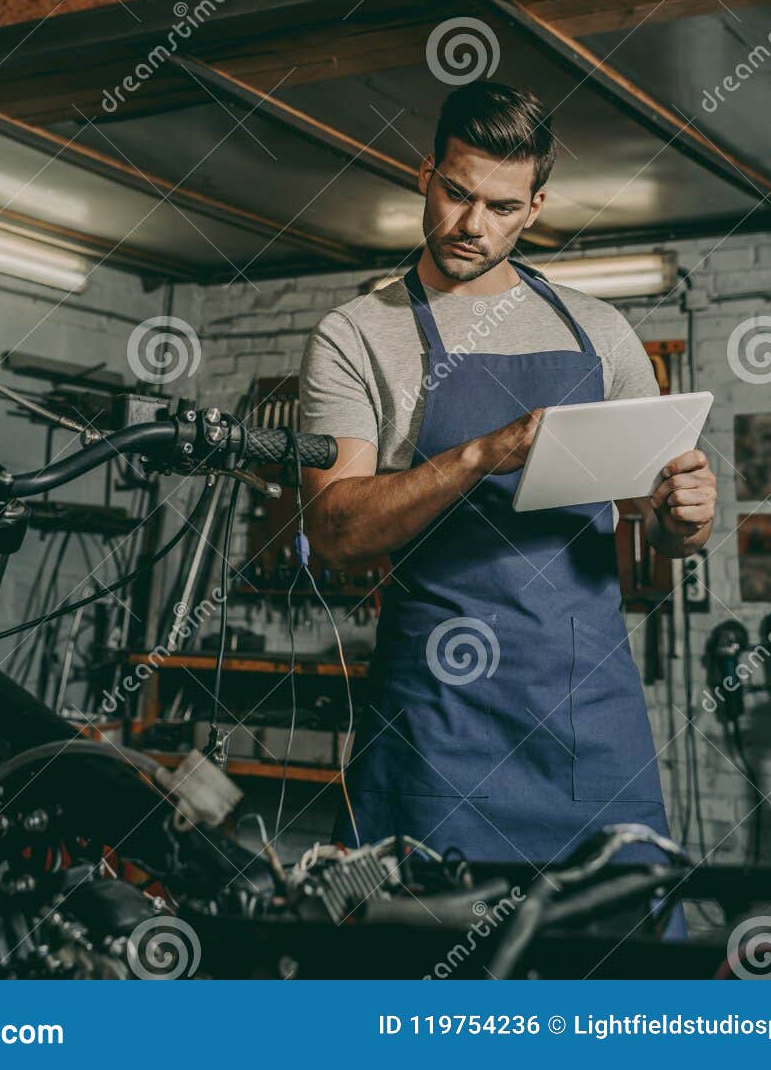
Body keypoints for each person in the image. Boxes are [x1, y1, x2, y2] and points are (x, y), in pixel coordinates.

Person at [299, 80, 715, 871]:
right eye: (457, 194)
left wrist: (686, 517)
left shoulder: (599, 333)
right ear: (425, 174)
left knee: (616, 966)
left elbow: (656, 517)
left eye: (500, 207)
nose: (470, 226)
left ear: (536, 207)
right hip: (437, 717)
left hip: (587, 713)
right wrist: (481, 453)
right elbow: (334, 534)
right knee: (415, 967)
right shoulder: (356, 335)